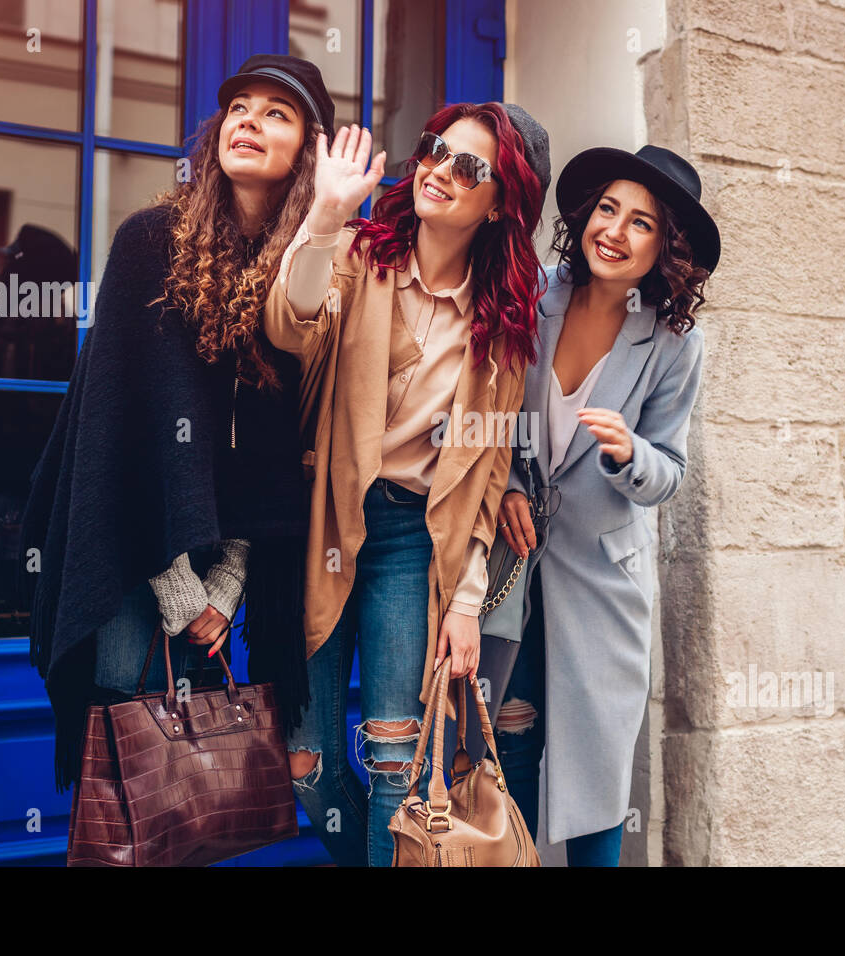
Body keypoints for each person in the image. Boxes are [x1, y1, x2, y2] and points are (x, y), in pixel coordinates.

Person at [20, 55, 336, 793]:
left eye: (277, 113)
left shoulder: (301, 275)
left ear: (307, 156)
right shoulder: (150, 244)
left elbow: (275, 445)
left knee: (185, 792)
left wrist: (227, 581)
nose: (250, 120)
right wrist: (176, 584)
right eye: (240, 107)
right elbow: (115, 433)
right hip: (134, 559)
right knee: (125, 769)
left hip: (219, 574)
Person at [260, 102, 551, 866]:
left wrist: (464, 598)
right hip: (320, 523)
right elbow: (289, 323)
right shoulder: (358, 257)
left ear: (500, 205)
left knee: (401, 763)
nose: (440, 170)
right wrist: (326, 210)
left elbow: (488, 474)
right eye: (434, 149)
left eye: (470, 167)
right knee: (307, 767)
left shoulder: (502, 329)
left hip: (415, 542)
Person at [493, 144, 720, 866]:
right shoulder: (532, 296)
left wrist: (629, 454)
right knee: (508, 744)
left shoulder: (674, 343)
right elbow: (486, 413)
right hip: (513, 567)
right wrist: (502, 485)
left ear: (666, 247)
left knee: (598, 778)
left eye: (642, 223)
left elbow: (671, 470)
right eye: (608, 209)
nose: (615, 231)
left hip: (603, 579)